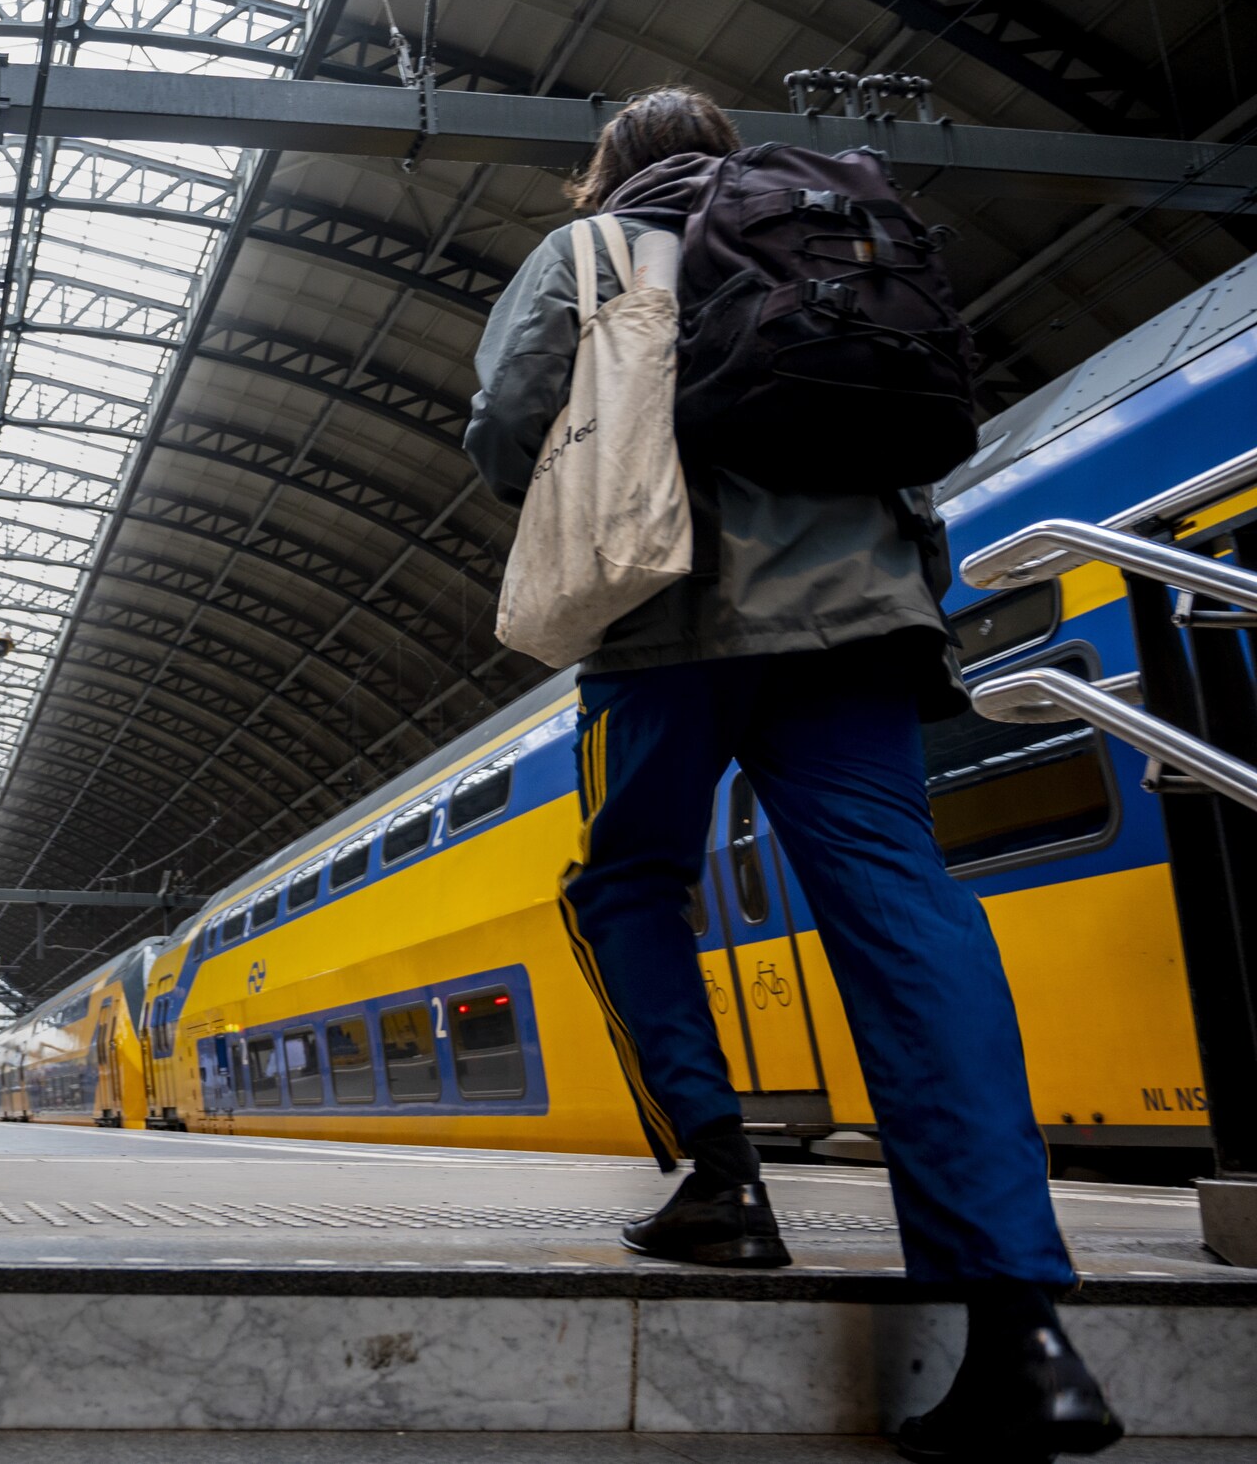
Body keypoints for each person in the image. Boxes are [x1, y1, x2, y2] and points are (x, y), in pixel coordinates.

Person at [463, 86, 1122, 1463]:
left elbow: (508, 425)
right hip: (865, 620)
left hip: (667, 620)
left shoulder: (594, 249)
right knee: (902, 905)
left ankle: (723, 1182)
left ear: (608, 169)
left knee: (627, 880)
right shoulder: (840, 233)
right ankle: (1023, 1329)